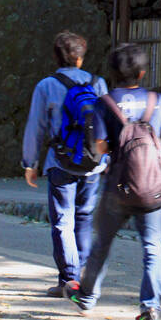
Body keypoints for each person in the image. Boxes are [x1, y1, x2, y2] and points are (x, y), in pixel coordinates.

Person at [65, 43, 161, 320]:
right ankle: (150, 309)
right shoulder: (159, 102)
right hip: (152, 188)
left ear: (112, 73)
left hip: (118, 187)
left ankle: (87, 297)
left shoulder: (105, 103)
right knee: (153, 246)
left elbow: (101, 147)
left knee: (101, 242)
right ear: (141, 73)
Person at [21, 31, 108, 296]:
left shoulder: (47, 86)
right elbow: (108, 125)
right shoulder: (98, 84)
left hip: (61, 162)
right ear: (80, 58)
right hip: (94, 164)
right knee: (84, 217)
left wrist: (30, 163)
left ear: (57, 57)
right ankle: (79, 273)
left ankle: (69, 279)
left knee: (62, 221)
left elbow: (35, 126)